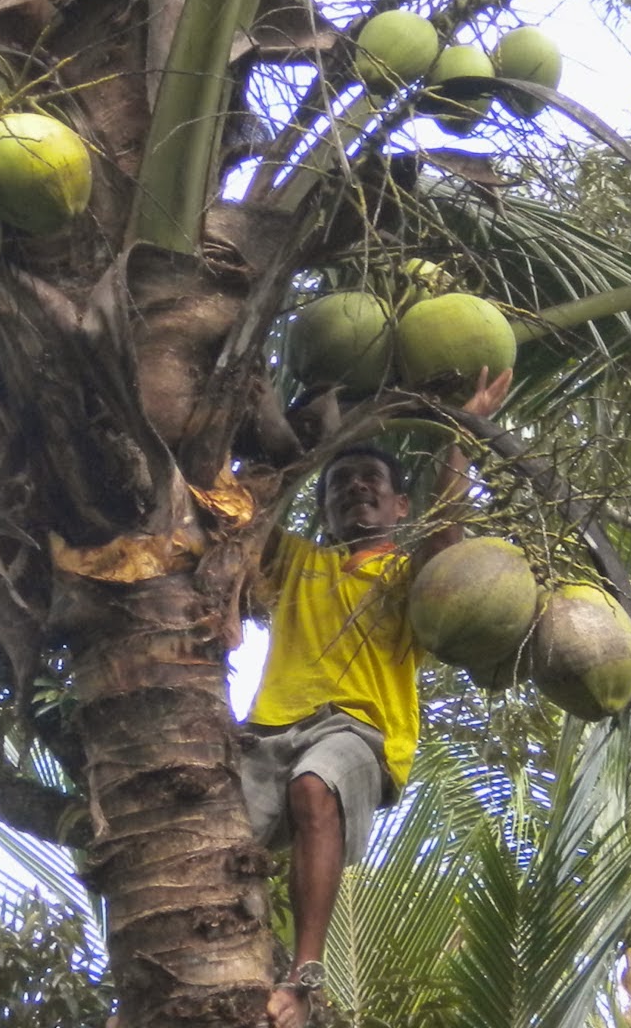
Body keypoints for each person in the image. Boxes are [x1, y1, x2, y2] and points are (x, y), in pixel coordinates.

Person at [243, 368, 512, 1028]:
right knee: (208, 839)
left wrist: (461, 436)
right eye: (339, 485)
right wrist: (279, 429)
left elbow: (450, 535)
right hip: (267, 732)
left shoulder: (411, 577)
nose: (356, 489)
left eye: (372, 483)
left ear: (400, 508)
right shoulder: (301, 561)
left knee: (315, 788)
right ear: (325, 507)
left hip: (359, 735)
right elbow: (245, 507)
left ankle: (304, 978)